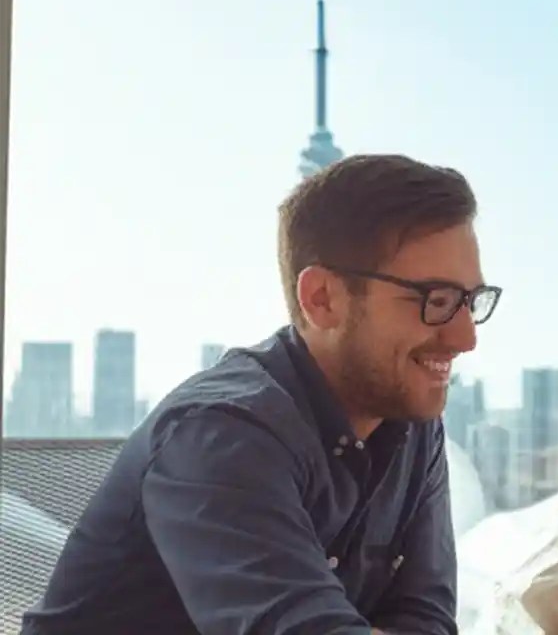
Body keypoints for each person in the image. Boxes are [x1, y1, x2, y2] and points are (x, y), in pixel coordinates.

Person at [22, 154, 501, 634]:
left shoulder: (414, 426)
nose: (466, 338)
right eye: (435, 301)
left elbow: (427, 620)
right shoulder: (221, 432)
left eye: (470, 302)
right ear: (322, 299)